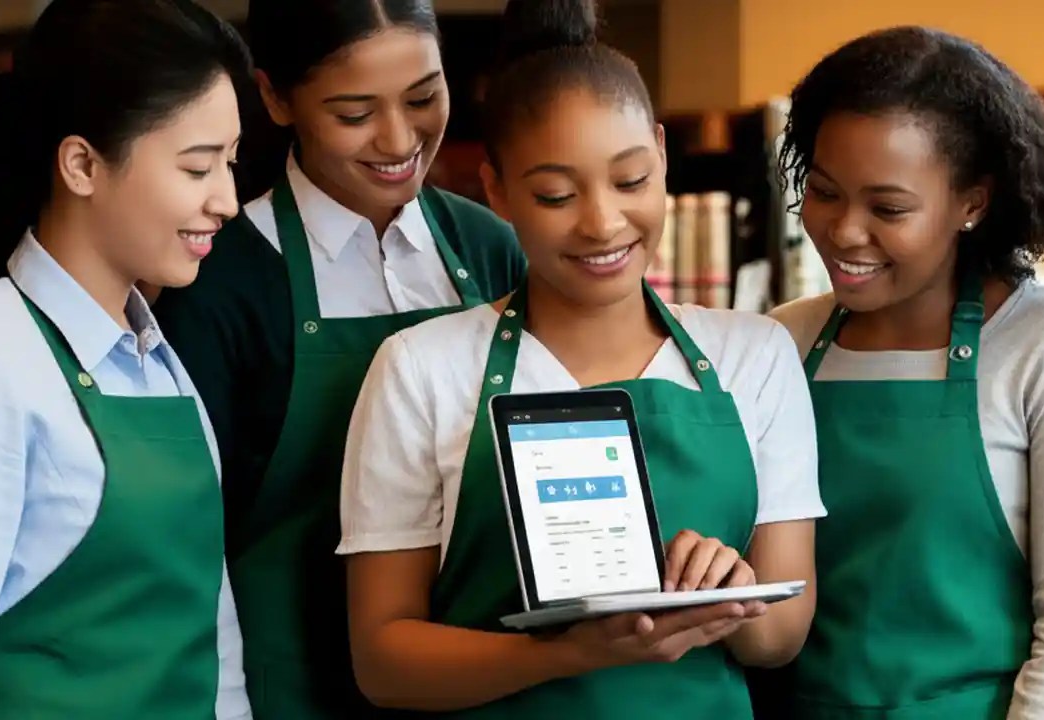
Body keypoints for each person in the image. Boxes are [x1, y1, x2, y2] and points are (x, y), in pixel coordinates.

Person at [337, 0, 824, 716]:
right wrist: (570, 652)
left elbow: (781, 637)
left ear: (661, 154)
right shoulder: (420, 367)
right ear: (498, 191)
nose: (602, 223)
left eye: (630, 181)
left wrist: (730, 592)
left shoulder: (756, 354)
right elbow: (383, 661)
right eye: (556, 195)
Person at [151, 1, 527, 717]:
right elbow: (189, 550)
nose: (397, 138)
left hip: (490, 679)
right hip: (293, 688)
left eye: (424, 98)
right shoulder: (220, 280)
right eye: (354, 113)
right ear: (273, 98)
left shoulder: (491, 249)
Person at [760, 26, 1044, 719]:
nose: (843, 231)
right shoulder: (782, 340)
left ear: (973, 203)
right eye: (826, 192)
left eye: (888, 208)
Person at [0, 0, 253, 718]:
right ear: (81, 163)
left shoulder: (159, 361)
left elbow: (214, 639)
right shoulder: (2, 354)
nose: (228, 200)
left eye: (231, 164)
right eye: (198, 167)